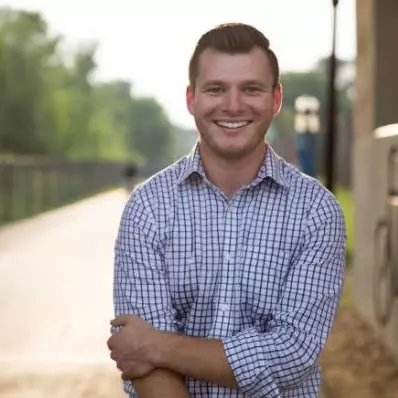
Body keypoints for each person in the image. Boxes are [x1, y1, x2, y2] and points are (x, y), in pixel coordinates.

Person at [107, 22, 346, 398]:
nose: (233, 105)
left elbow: (292, 352)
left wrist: (158, 345)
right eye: (216, 89)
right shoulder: (148, 208)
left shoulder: (317, 212)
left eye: (250, 89)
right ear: (191, 99)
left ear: (275, 98)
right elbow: (144, 368)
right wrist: (148, 349)